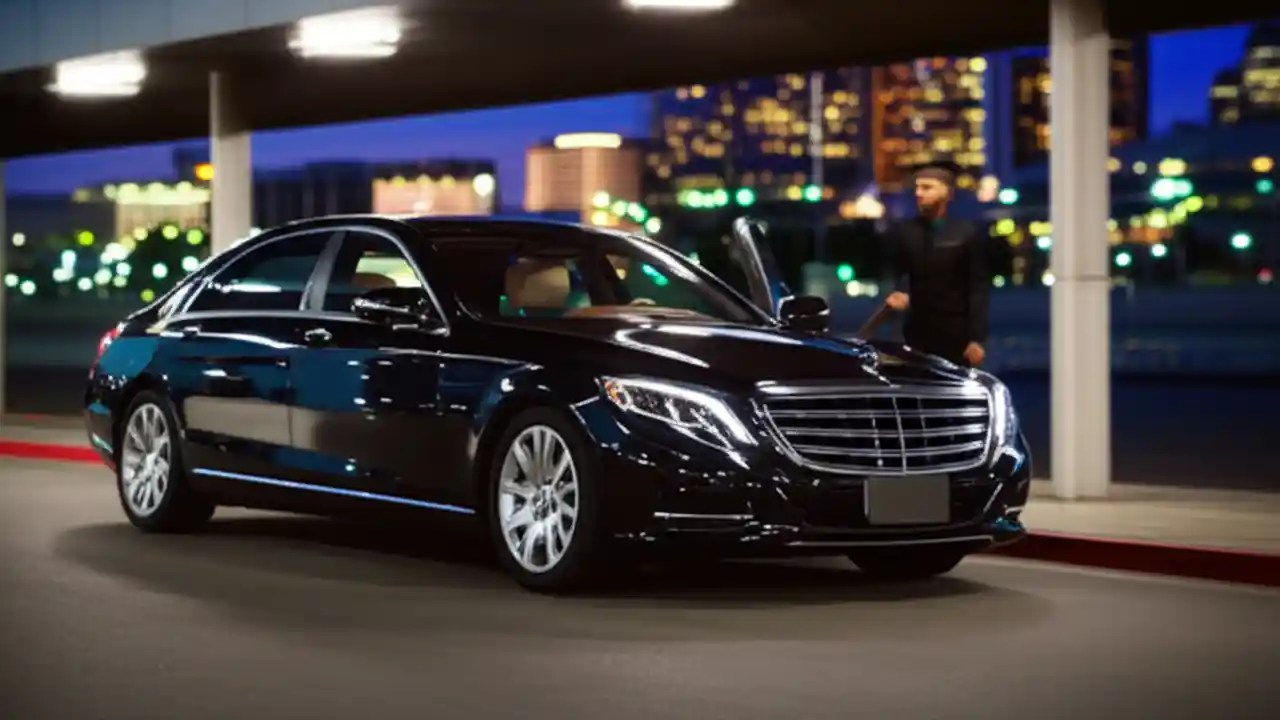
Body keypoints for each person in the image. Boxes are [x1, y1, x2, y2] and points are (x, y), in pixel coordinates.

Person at [881, 161, 989, 367]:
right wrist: (900, 292)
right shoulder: (905, 232)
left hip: (957, 337)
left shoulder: (965, 232)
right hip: (916, 334)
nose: (919, 193)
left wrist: (976, 339)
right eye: (917, 188)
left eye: (927, 187)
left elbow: (977, 288)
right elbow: (900, 272)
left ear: (947, 192)